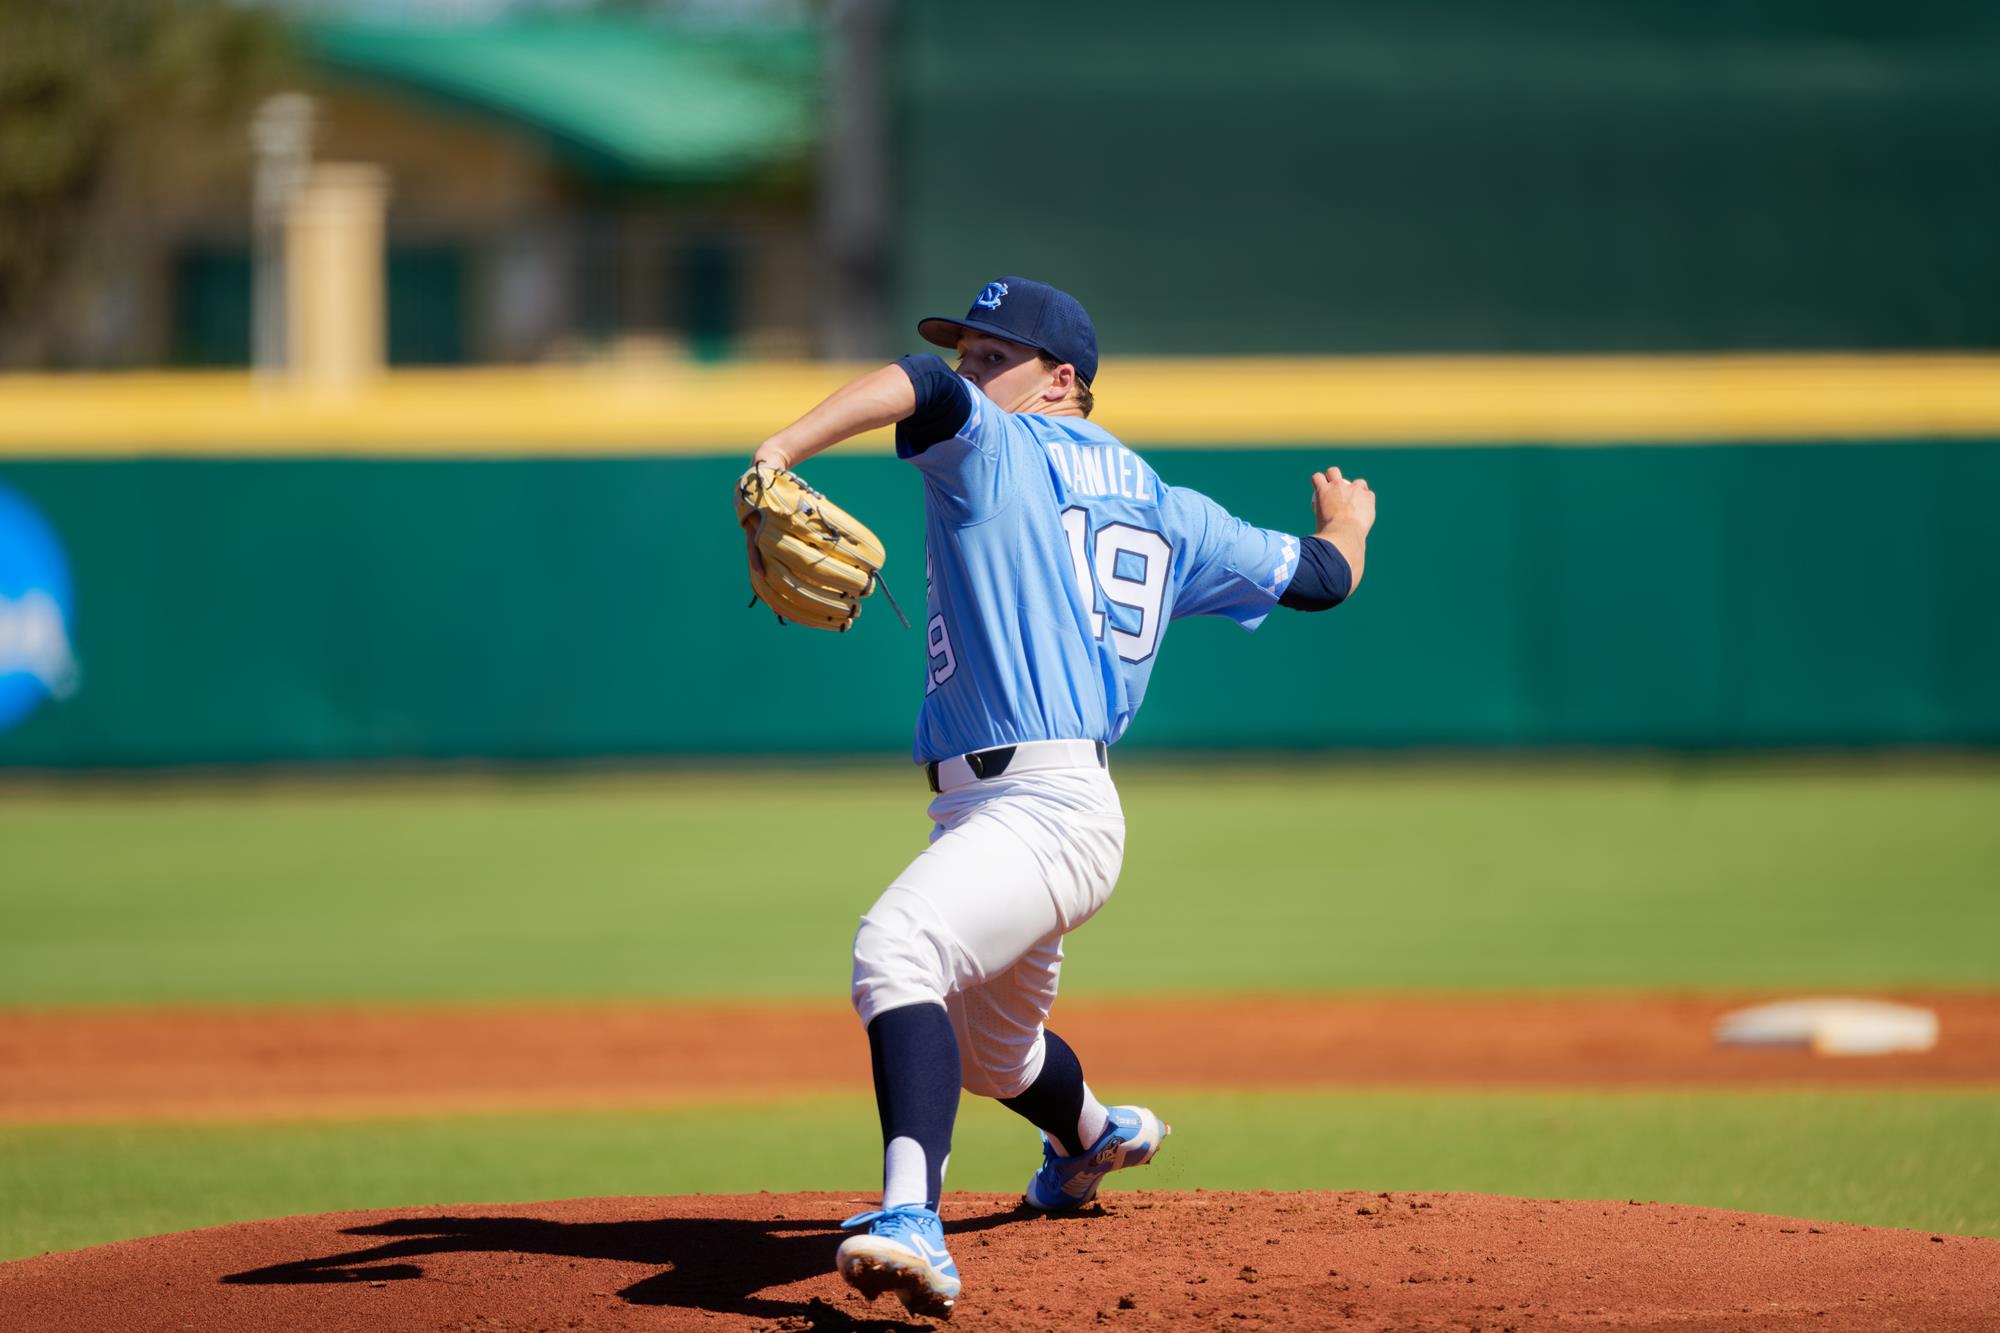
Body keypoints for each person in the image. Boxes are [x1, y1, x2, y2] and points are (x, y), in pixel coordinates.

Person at [746, 277, 1375, 1319]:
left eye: (994, 357)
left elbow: (910, 386)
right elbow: (1319, 577)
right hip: (1054, 808)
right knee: (996, 1054)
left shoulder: (992, 444)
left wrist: (777, 450)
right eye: (970, 355)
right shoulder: (1173, 508)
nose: (969, 373)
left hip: (1039, 809)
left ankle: (911, 1215)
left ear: (1062, 381)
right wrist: (1348, 522)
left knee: (895, 948)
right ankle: (1092, 1136)